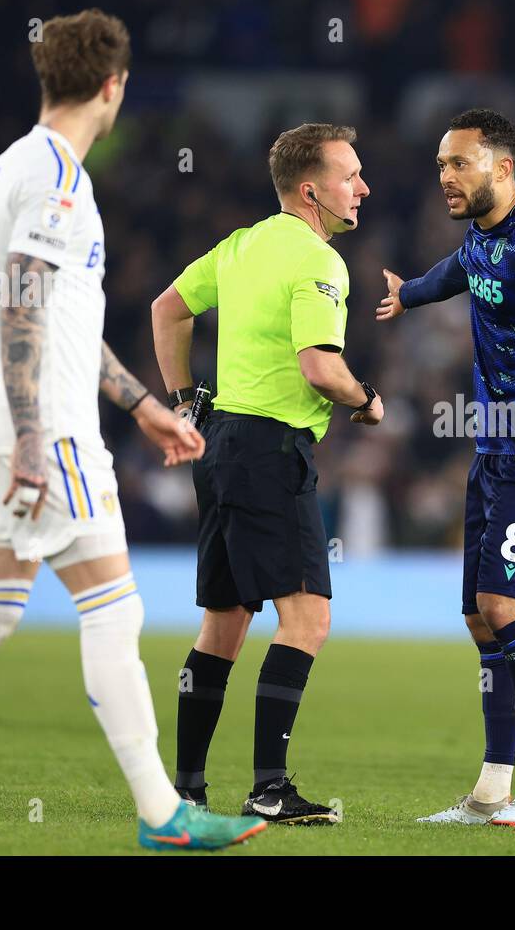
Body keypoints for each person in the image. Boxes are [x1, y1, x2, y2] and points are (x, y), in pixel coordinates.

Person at [0, 8, 267, 851]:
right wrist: (30, 436)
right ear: (114, 86)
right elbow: (21, 301)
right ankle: (164, 815)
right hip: (42, 424)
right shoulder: (57, 176)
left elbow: (55, 315)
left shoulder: (12, 164)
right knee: (113, 610)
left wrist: (138, 402)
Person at [151, 122, 379, 825]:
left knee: (223, 624)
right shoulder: (320, 260)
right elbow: (320, 367)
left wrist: (184, 398)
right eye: (350, 175)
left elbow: (168, 309)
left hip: (219, 444)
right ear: (311, 191)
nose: (363, 188)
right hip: (270, 452)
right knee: (307, 617)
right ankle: (270, 787)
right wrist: (367, 400)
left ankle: (185, 790)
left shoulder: (243, 243)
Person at [378, 108, 515, 827]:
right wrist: (408, 292)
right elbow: (458, 272)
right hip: (494, 453)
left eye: (459, 163)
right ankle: (493, 788)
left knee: (506, 608)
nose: (445, 175)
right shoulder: (482, 238)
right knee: (480, 619)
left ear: (502, 168)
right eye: (441, 163)